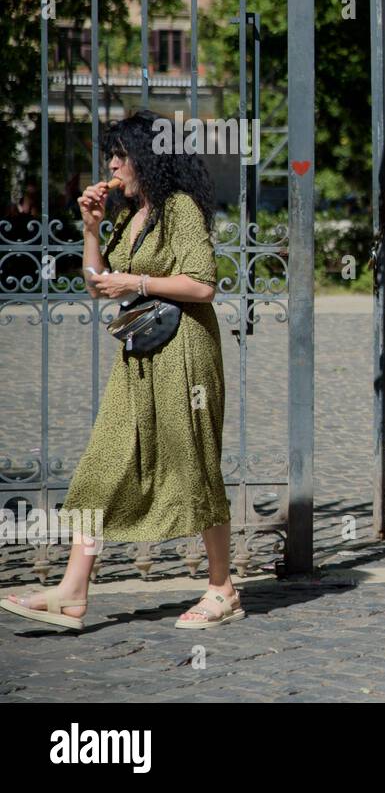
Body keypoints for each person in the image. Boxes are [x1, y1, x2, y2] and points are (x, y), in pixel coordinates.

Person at [1, 110, 239, 632]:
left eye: (119, 156)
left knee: (192, 463)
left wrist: (140, 281)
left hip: (184, 353)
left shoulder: (179, 210)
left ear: (147, 159)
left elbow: (202, 286)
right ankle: (71, 591)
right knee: (101, 466)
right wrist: (91, 229)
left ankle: (222, 588)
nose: (111, 166)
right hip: (138, 356)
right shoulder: (134, 216)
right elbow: (96, 283)